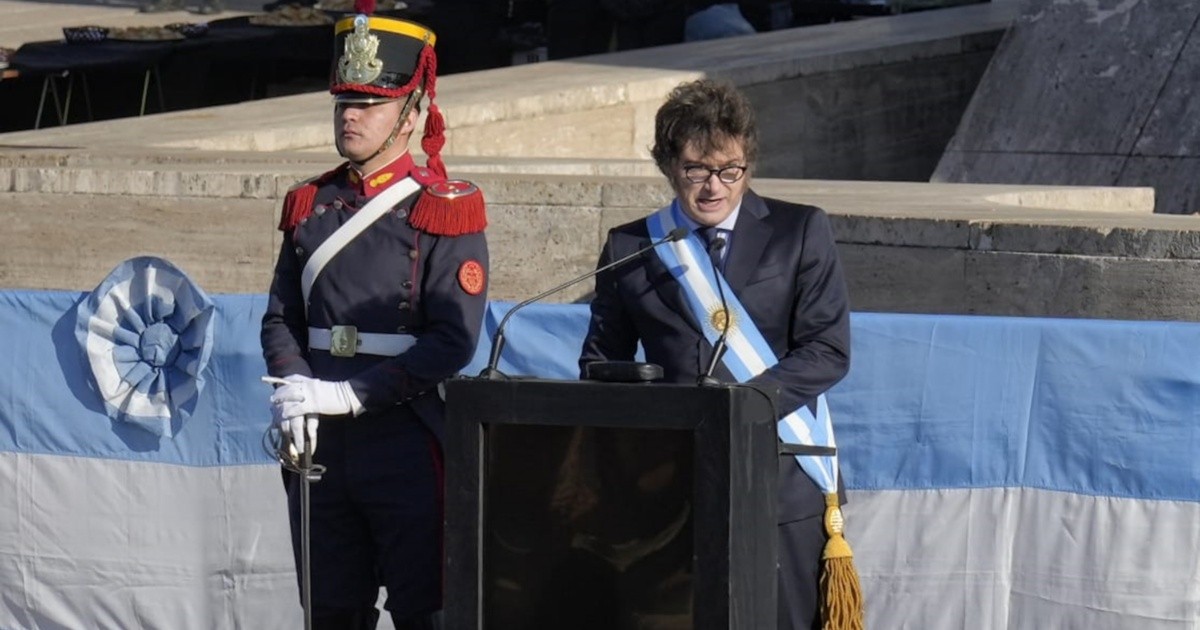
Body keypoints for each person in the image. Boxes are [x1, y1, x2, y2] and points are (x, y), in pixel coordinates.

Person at [578, 79, 861, 629]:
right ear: (668, 165)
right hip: (669, 483)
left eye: (730, 170)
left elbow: (827, 349)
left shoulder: (799, 230)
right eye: (696, 170)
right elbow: (598, 364)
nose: (714, 187)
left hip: (780, 475)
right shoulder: (631, 246)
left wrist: (740, 408)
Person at [260, 3, 489, 628]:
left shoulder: (444, 207)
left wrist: (351, 395)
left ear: (411, 114)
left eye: (369, 103)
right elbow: (281, 318)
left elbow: (453, 339)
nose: (350, 115)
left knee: (428, 611)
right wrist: (296, 391)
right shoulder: (310, 204)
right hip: (319, 440)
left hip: (405, 436)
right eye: (344, 102)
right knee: (330, 610)